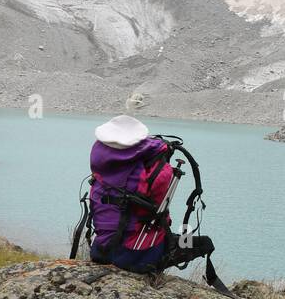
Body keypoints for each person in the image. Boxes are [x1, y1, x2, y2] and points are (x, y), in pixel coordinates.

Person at [87, 114, 217, 276]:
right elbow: (158, 213)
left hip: (101, 249)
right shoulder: (152, 165)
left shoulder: (100, 157)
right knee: (205, 243)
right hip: (134, 256)